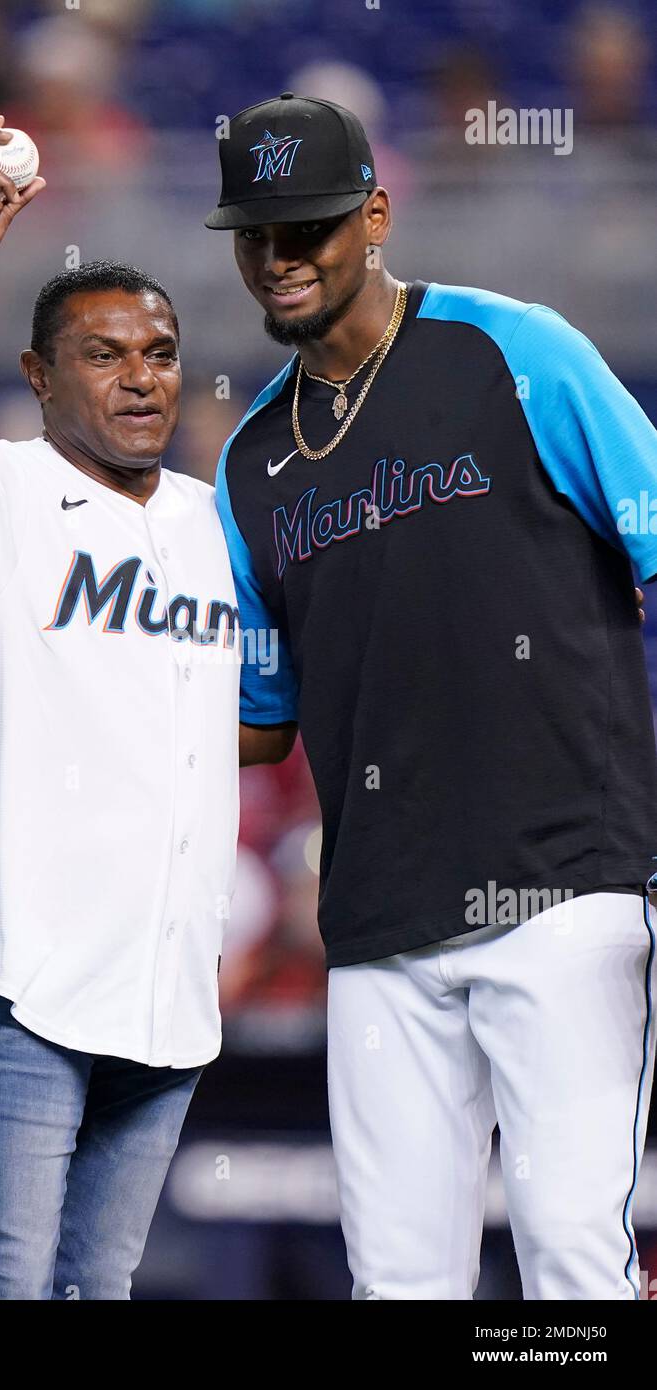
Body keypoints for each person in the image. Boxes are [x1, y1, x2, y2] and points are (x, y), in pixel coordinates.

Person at [206, 93, 657, 1300]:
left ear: (376, 215)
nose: (280, 256)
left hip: (561, 884)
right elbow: (259, 721)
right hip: (376, 926)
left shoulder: (514, 350)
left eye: (306, 227)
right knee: (398, 1284)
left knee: (572, 1258)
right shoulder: (248, 459)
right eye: (257, 233)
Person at [0, 116, 285, 1301]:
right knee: (0, 1277)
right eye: (103, 354)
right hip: (17, 970)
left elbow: (251, 725)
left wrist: (17, 698)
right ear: (42, 378)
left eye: (158, 350)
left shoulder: (218, 522)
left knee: (95, 1287)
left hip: (165, 979)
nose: (142, 373)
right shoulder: (2, 485)